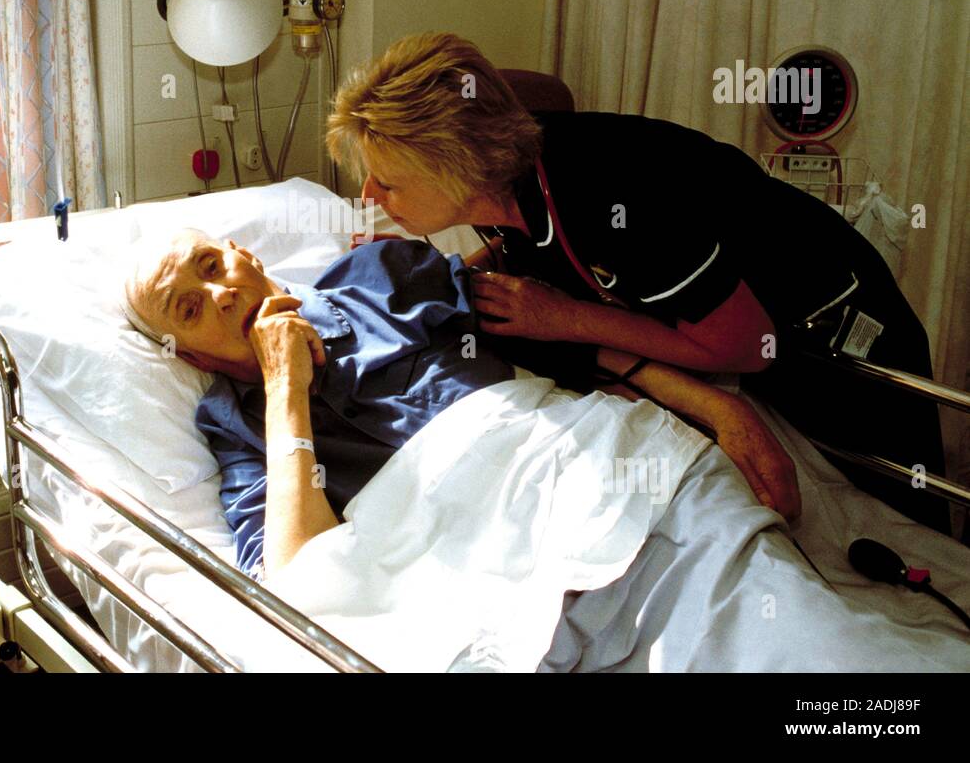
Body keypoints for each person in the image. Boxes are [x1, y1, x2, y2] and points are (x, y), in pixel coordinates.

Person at [325, 31, 953, 537]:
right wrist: (470, 273)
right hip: (756, 345)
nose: (370, 196)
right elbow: (554, 268)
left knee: (906, 528)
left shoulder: (612, 194)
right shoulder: (511, 186)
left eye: (389, 181)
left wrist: (563, 317)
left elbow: (740, 345)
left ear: (458, 169)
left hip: (846, 336)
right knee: (829, 518)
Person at [122, 228, 798, 581]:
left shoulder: (382, 274)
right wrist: (284, 390)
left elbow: (559, 339)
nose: (222, 297)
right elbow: (298, 572)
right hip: (475, 561)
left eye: (212, 267)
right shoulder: (237, 425)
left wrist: (717, 409)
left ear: (242, 253)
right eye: (189, 308)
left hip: (579, 469)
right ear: (193, 356)